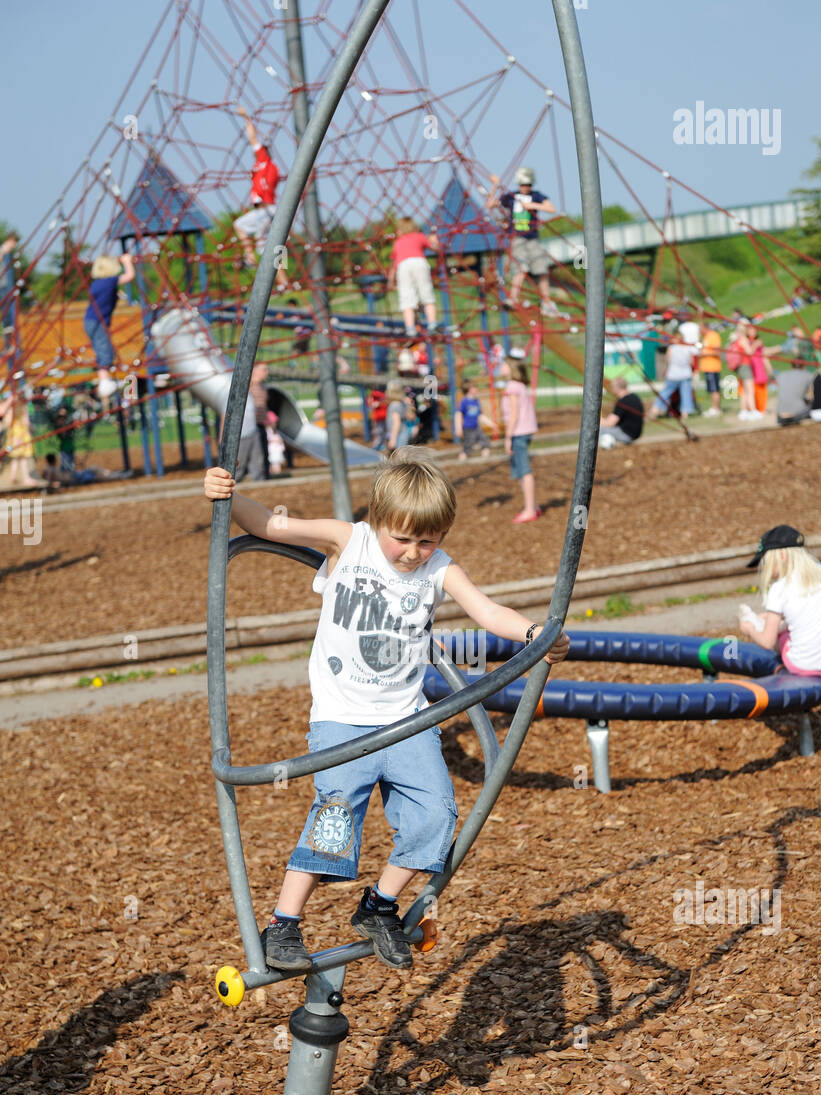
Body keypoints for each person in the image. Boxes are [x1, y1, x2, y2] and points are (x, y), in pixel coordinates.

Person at [202, 448, 571, 970]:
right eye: (403, 538)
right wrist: (230, 495)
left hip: (406, 719)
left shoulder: (437, 568)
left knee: (435, 814)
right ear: (377, 521)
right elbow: (269, 524)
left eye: (429, 540)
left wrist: (537, 633)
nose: (414, 552)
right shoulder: (346, 540)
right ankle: (283, 925)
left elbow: (488, 611)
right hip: (342, 716)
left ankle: (379, 905)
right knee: (335, 817)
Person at [739, 525, 821, 678]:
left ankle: (758, 624)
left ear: (782, 556)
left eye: (766, 562)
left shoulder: (779, 588)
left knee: (782, 633)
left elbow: (767, 642)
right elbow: (807, 610)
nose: (765, 569)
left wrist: (750, 629)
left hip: (804, 665)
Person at [486, 167, 561, 316]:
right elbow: (490, 204)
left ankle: (546, 302)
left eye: (528, 185)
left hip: (532, 237)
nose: (525, 188)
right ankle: (513, 298)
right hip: (517, 237)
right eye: (522, 185)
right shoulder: (511, 196)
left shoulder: (536, 196)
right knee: (520, 269)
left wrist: (532, 205)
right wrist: (495, 185)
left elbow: (551, 208)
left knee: (542, 269)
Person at [234, 107, 290, 292]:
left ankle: (249, 257)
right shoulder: (273, 169)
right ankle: (284, 282)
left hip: (265, 211)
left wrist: (247, 118)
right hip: (271, 211)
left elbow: (253, 138)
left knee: (239, 225)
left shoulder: (264, 161)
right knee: (272, 248)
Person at [84, 252, 135, 398]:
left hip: (90, 321)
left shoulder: (98, 284)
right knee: (105, 352)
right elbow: (130, 275)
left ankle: (106, 381)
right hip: (97, 322)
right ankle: (105, 382)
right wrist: (127, 261)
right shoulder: (110, 281)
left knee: (103, 351)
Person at [501, 357, 540, 522]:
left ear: (510, 368)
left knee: (524, 471)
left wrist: (508, 437)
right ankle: (533, 506)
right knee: (519, 472)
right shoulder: (520, 386)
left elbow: (514, 414)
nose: (500, 367)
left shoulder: (512, 387)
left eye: (503, 364)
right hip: (525, 431)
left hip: (518, 433)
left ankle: (530, 510)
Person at [387, 217, 439, 335]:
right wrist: (434, 241)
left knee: (406, 297)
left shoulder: (398, 242)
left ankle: (410, 328)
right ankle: (432, 324)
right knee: (427, 294)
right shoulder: (419, 236)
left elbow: (394, 265)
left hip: (403, 266)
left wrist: (391, 281)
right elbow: (435, 248)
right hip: (419, 262)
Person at [648, 331, 696, 419]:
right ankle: (685, 413)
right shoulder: (687, 348)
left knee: (666, 392)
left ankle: (656, 408)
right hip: (685, 374)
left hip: (673, 374)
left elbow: (667, 360)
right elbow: (691, 362)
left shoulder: (671, 348)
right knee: (686, 393)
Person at [0, 394, 41, 486]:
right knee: (21, 456)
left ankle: (14, 476)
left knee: (17, 455)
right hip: (20, 434)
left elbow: (7, 421)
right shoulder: (19, 407)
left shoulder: (12, 407)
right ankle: (23, 477)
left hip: (13, 434)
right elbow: (26, 422)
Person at [598, 377, 644, 447]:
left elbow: (610, 423)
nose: (611, 389)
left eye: (612, 387)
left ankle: (606, 446)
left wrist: (597, 422)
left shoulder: (622, 401)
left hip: (627, 435)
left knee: (598, 430)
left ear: (617, 388)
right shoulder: (634, 397)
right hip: (636, 433)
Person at [455, 380, 494, 459]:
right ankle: (461, 460)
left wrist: (490, 423)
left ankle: (485, 460)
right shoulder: (464, 401)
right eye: (474, 387)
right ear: (469, 389)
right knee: (467, 448)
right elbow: (458, 414)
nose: (476, 389)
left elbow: (480, 415)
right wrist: (458, 428)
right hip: (468, 429)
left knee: (486, 443)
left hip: (476, 427)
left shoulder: (476, 401)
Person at [698, 321, 723, 416]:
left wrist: (704, 353)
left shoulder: (713, 336)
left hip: (712, 367)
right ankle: (715, 407)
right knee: (711, 389)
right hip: (707, 368)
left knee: (714, 389)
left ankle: (716, 408)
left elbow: (717, 352)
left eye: (700, 329)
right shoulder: (706, 337)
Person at [384, 377, 412, 453]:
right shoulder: (401, 403)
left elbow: (396, 423)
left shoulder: (394, 405)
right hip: (403, 433)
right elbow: (409, 416)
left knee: (399, 457)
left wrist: (393, 439)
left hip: (398, 435)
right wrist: (408, 405)